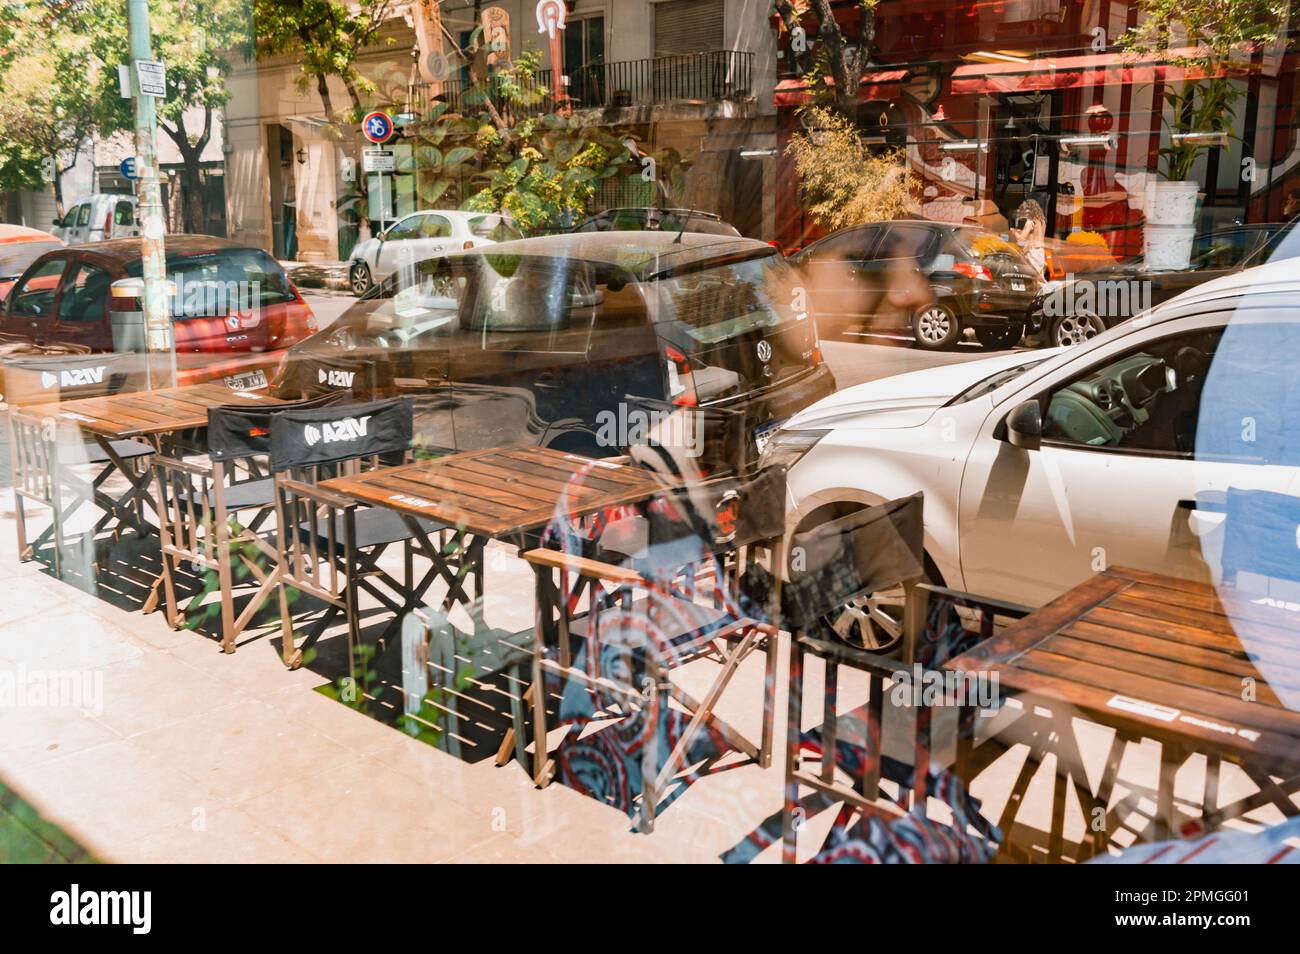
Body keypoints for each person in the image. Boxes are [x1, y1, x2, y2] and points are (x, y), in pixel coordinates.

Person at [1011, 198, 1048, 279]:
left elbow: (1021, 240)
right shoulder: (1042, 222)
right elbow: (1036, 236)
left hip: (1032, 253)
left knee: (1031, 279)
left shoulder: (1030, 222)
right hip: (1041, 252)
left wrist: (1014, 232)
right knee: (1039, 278)